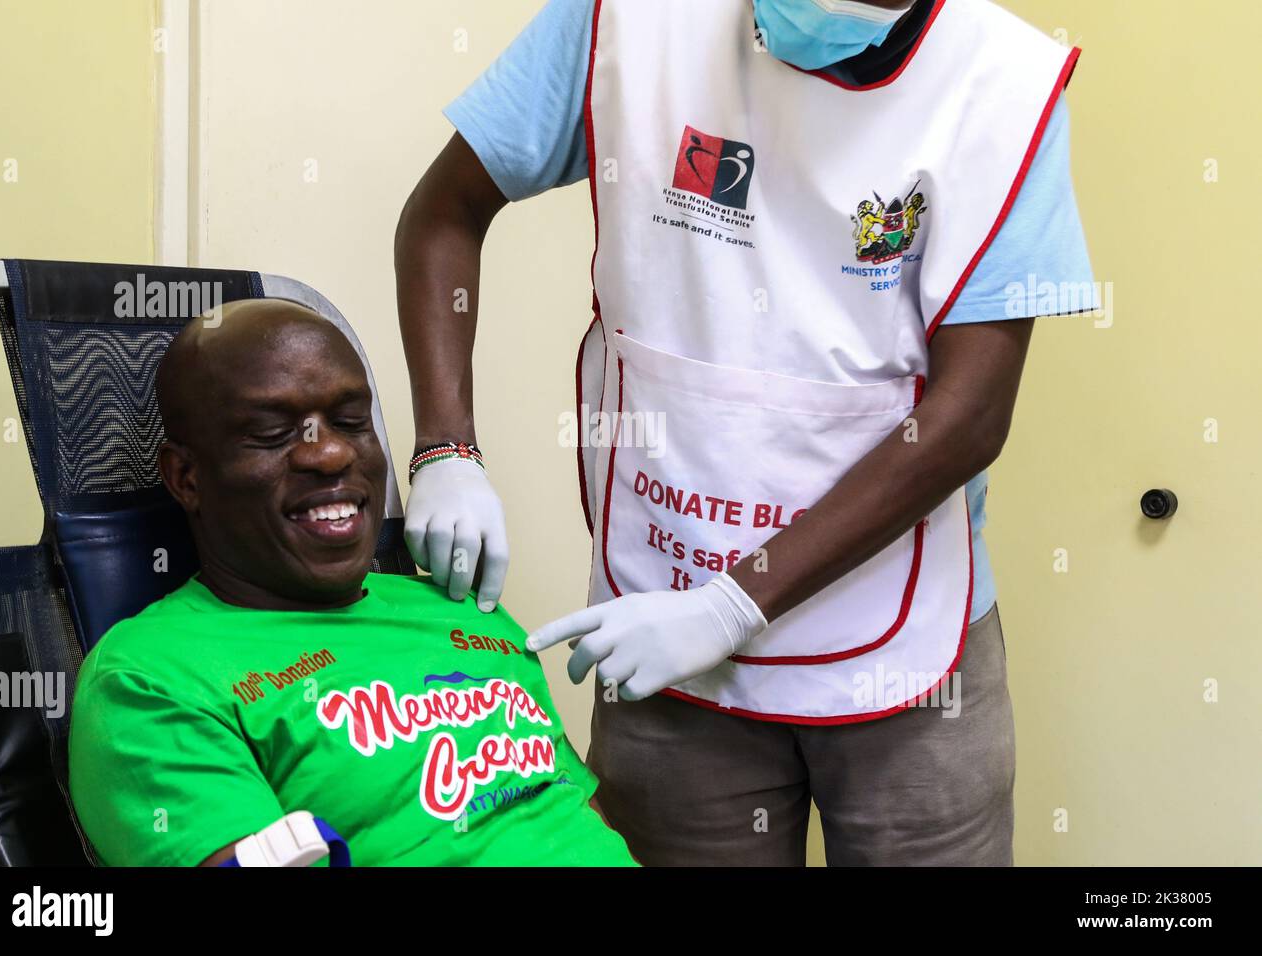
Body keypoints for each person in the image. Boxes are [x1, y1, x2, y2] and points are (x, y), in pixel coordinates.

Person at [395, 0, 1093, 865]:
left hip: (903, 654)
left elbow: (968, 416)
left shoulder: (1004, 82)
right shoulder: (626, 21)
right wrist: (446, 450)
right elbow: (445, 212)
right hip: (665, 623)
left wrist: (733, 603)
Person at [68, 299, 635, 867]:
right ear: (186, 478)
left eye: (351, 422)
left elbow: (578, 816)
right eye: (271, 433)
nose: (331, 452)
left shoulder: (461, 608)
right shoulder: (150, 679)